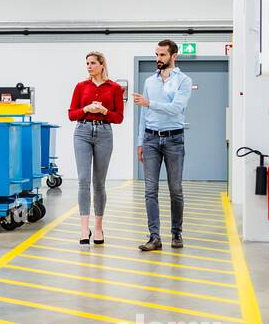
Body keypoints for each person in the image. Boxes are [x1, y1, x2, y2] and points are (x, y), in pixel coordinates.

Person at [133, 39, 193, 252]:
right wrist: (140, 142)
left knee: (175, 189)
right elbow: (143, 114)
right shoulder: (150, 81)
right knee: (150, 190)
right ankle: (154, 237)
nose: (158, 59)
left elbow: (176, 109)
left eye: (162, 55)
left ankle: (176, 233)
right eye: (156, 55)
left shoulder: (184, 81)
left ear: (173, 56)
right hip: (150, 140)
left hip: (174, 140)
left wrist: (149, 103)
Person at [67, 51, 123, 245]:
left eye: (92, 63)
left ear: (102, 65)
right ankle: (84, 228)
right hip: (82, 131)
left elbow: (118, 118)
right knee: (83, 180)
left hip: (104, 133)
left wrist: (104, 111)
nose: (89, 66)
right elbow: (71, 114)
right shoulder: (81, 86)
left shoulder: (114, 87)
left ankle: (98, 227)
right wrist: (86, 109)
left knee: (99, 183)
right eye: (87, 63)